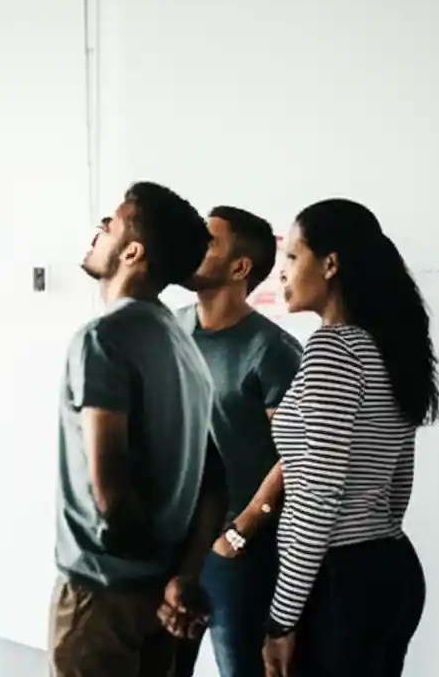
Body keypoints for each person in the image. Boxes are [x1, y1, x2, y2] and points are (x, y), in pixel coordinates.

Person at [51, 181, 227, 677]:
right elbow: (215, 482)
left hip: (100, 598)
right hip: (161, 599)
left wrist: (145, 575)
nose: (99, 229)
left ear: (132, 250)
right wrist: (179, 577)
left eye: (110, 222)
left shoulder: (102, 339)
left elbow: (110, 493)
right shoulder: (183, 343)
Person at [261, 199, 435, 677]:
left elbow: (315, 497)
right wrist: (372, 541)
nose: (282, 273)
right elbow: (399, 478)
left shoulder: (332, 350)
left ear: (330, 263)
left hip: (340, 583)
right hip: (392, 567)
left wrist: (281, 619)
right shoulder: (390, 348)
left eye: (292, 258)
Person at [172, 207, 302, 677]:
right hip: (176, 543)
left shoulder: (274, 351)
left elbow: (296, 452)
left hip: (238, 552)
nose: (193, 248)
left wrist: (239, 532)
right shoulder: (171, 328)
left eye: (208, 242)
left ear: (239, 268)